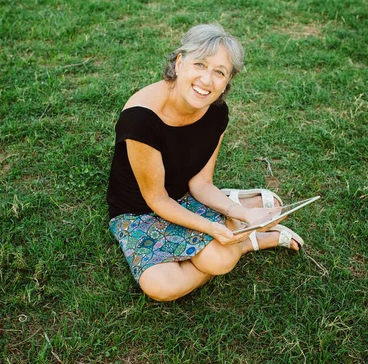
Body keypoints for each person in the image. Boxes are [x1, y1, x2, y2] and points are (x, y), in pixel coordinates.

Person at [106, 23, 305, 302]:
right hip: (137, 212)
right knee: (161, 287)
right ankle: (248, 241)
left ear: (227, 81)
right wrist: (212, 228)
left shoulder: (216, 113)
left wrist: (245, 217)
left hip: (184, 197)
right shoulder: (140, 120)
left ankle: (241, 218)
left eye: (219, 72)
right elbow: (157, 200)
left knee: (221, 260)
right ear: (179, 63)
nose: (206, 81)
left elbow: (200, 183)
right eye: (199, 64)